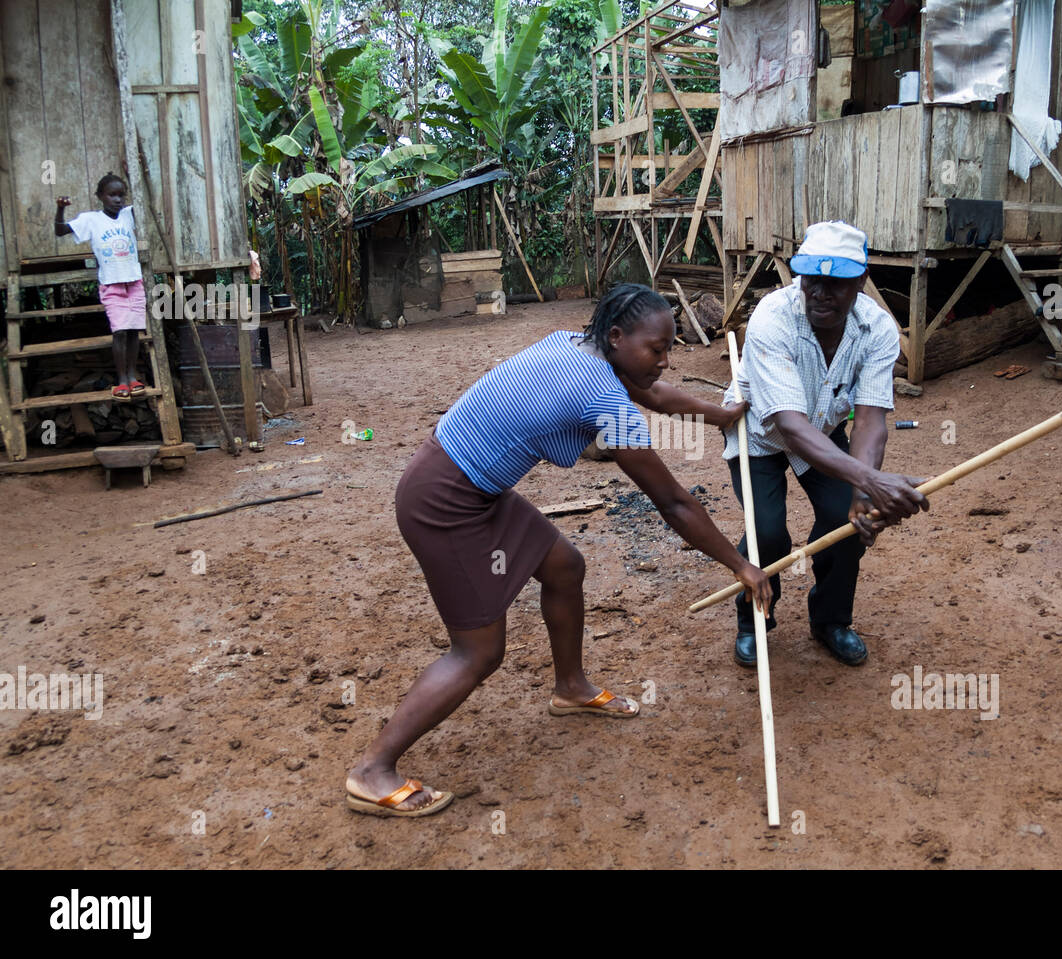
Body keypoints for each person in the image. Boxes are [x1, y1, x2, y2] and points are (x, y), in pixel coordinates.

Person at [345, 283, 773, 817]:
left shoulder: (576, 343)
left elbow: (656, 395)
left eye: (669, 349)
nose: (665, 361)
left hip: (471, 485)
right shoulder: (601, 394)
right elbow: (673, 502)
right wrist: (741, 565)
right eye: (656, 349)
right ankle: (373, 769)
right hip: (445, 503)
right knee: (478, 652)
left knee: (565, 566)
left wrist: (720, 414)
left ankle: (570, 687)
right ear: (616, 337)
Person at [722, 221, 929, 669]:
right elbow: (789, 426)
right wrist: (872, 479)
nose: (819, 292)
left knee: (846, 520)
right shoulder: (773, 317)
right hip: (759, 429)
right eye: (811, 279)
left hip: (823, 429)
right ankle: (753, 620)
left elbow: (871, 419)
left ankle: (831, 620)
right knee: (768, 532)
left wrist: (863, 493)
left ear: (859, 281)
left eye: (835, 284)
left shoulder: (876, 329)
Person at [55, 173, 147, 400]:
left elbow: (148, 196)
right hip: (111, 283)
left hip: (134, 280)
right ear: (100, 196)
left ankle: (133, 375)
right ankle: (122, 380)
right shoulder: (90, 220)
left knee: (134, 330)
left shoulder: (128, 215)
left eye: (121, 195)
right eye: (112, 195)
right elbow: (60, 231)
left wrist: (132, 174)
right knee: (120, 331)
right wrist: (60, 209)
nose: (118, 200)